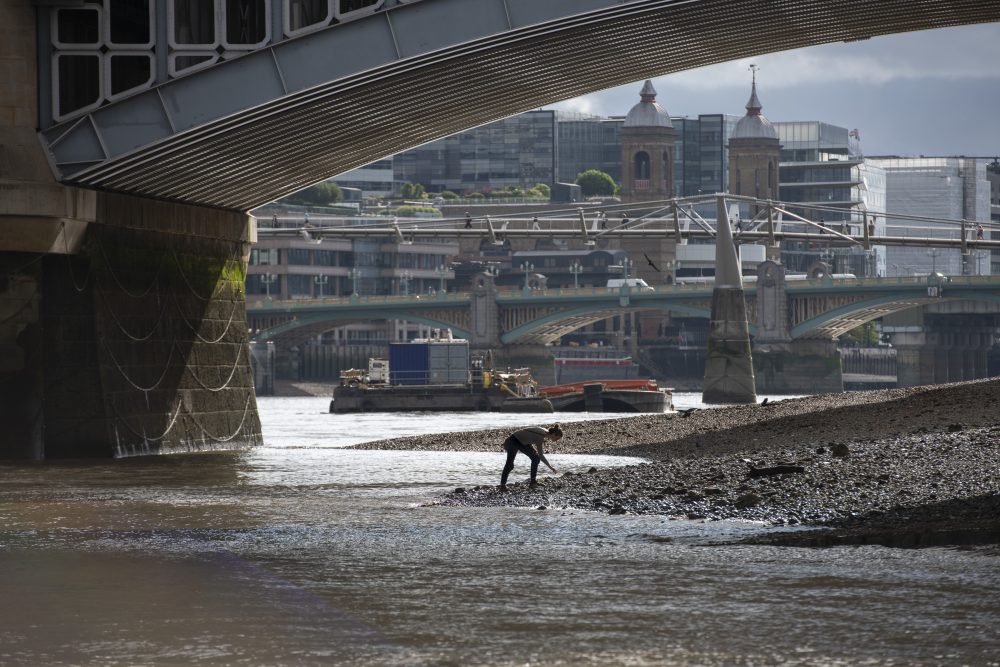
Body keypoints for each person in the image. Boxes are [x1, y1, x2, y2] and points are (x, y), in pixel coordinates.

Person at [500, 424, 563, 490]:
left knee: (535, 458)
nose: (557, 440)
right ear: (553, 434)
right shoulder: (540, 436)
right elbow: (541, 455)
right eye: (557, 438)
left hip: (524, 443)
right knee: (510, 465)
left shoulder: (545, 432)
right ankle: (502, 486)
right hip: (513, 441)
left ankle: (533, 482)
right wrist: (550, 467)